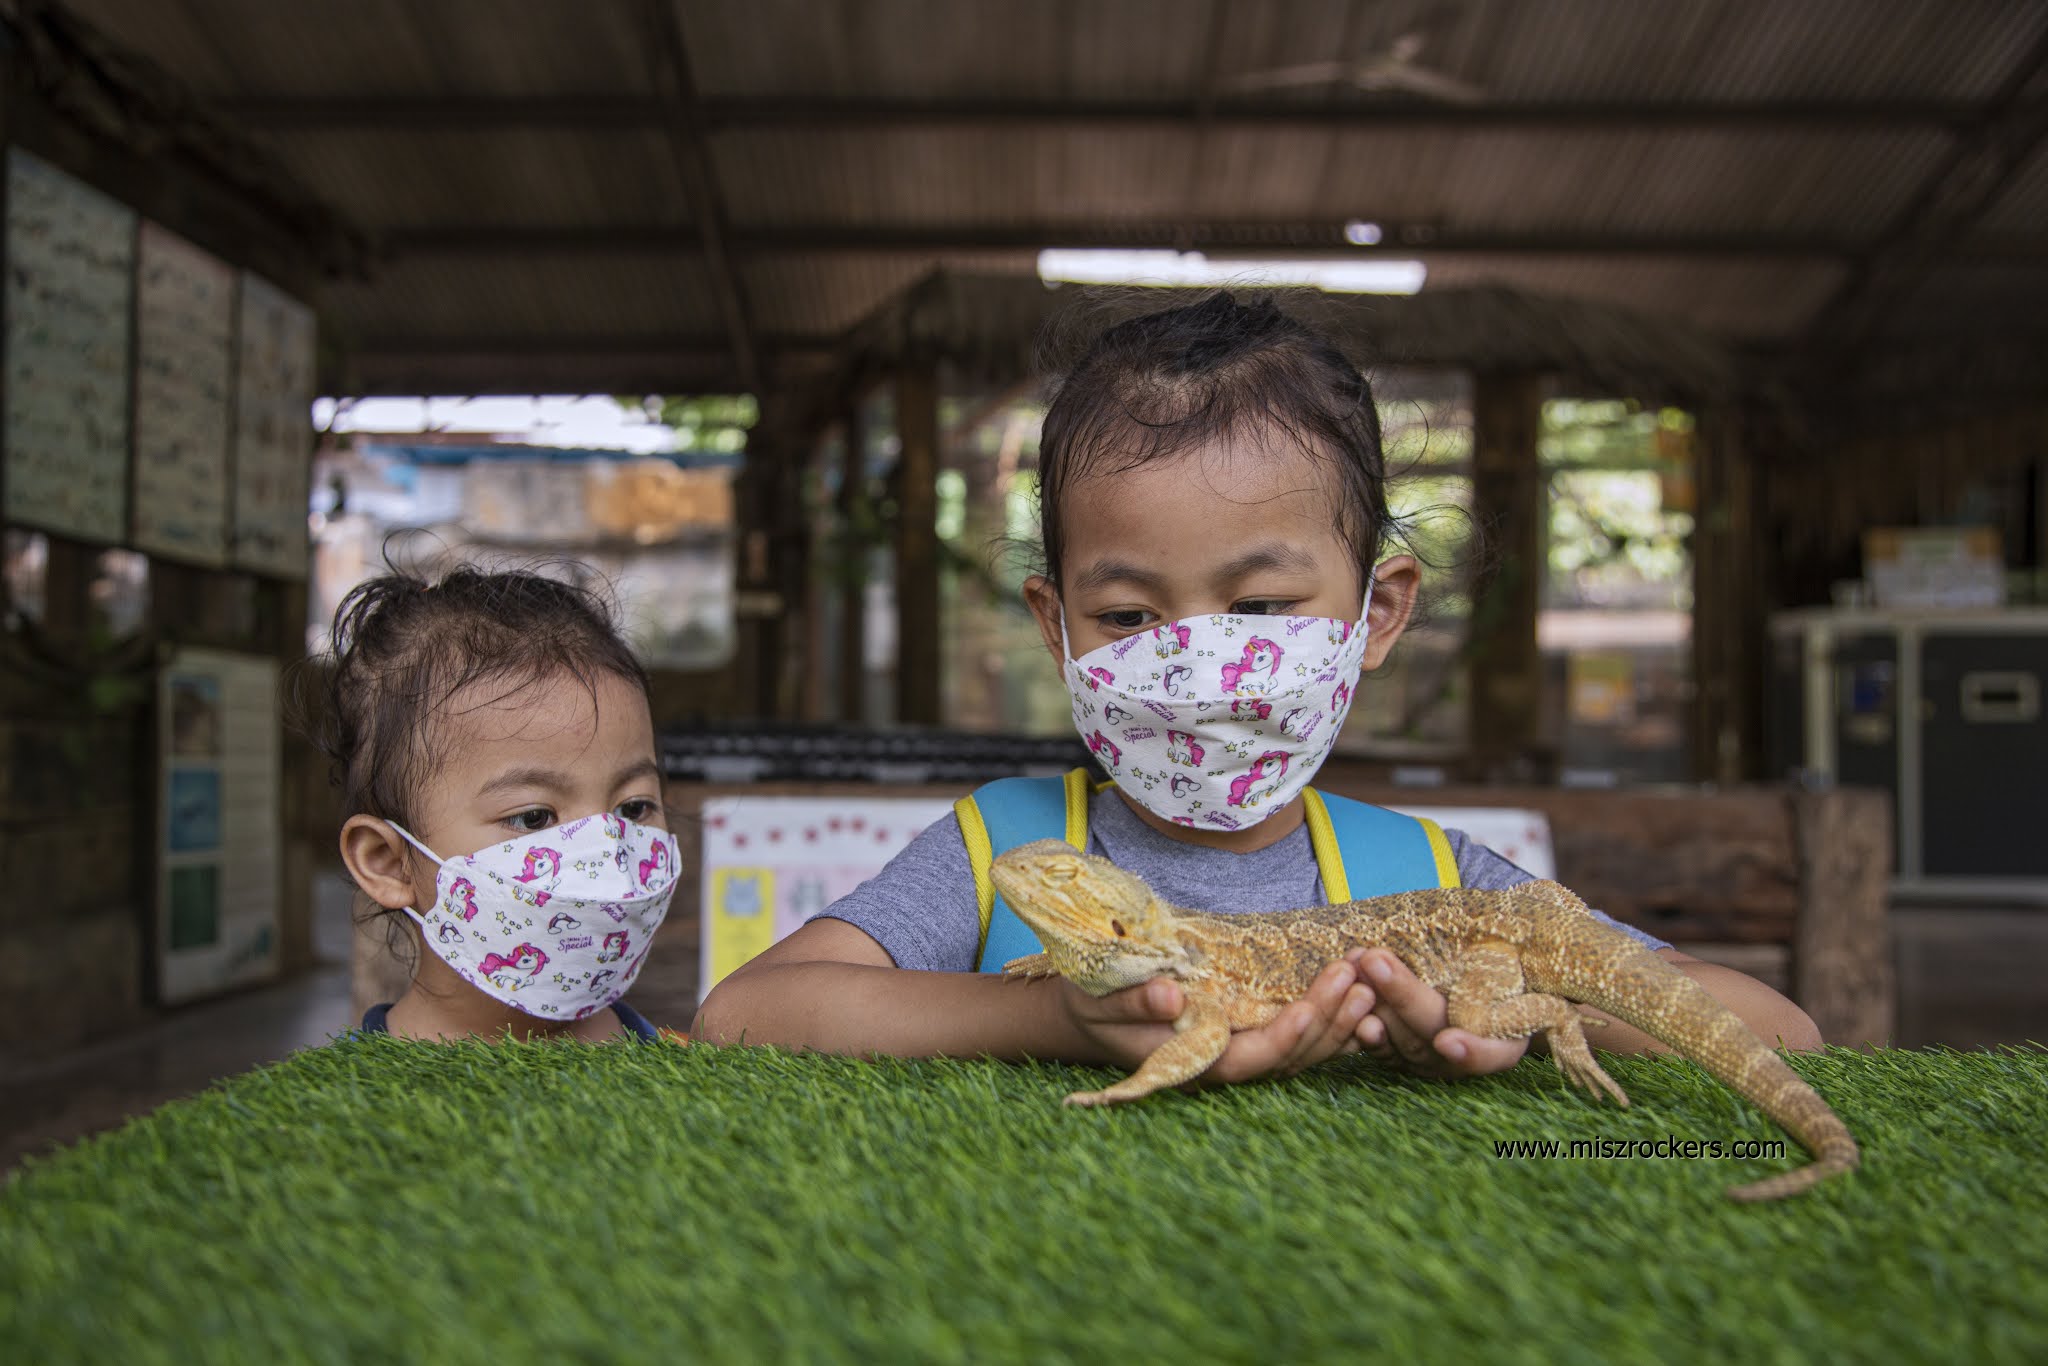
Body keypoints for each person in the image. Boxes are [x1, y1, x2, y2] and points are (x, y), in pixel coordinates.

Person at [694, 291, 1821, 1082]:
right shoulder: (1002, 859)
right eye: (1130, 617)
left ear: (1375, 613)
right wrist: (1057, 1017)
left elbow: (1777, 1032)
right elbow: (744, 1014)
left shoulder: (1436, 880)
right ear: (1057, 626)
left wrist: (1509, 1017)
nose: (1197, 666)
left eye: (1262, 609)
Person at [314, 566, 681, 1043]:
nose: (608, 856)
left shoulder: (678, 1068)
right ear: (389, 863)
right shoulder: (342, 1106)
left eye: (633, 808)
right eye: (534, 817)